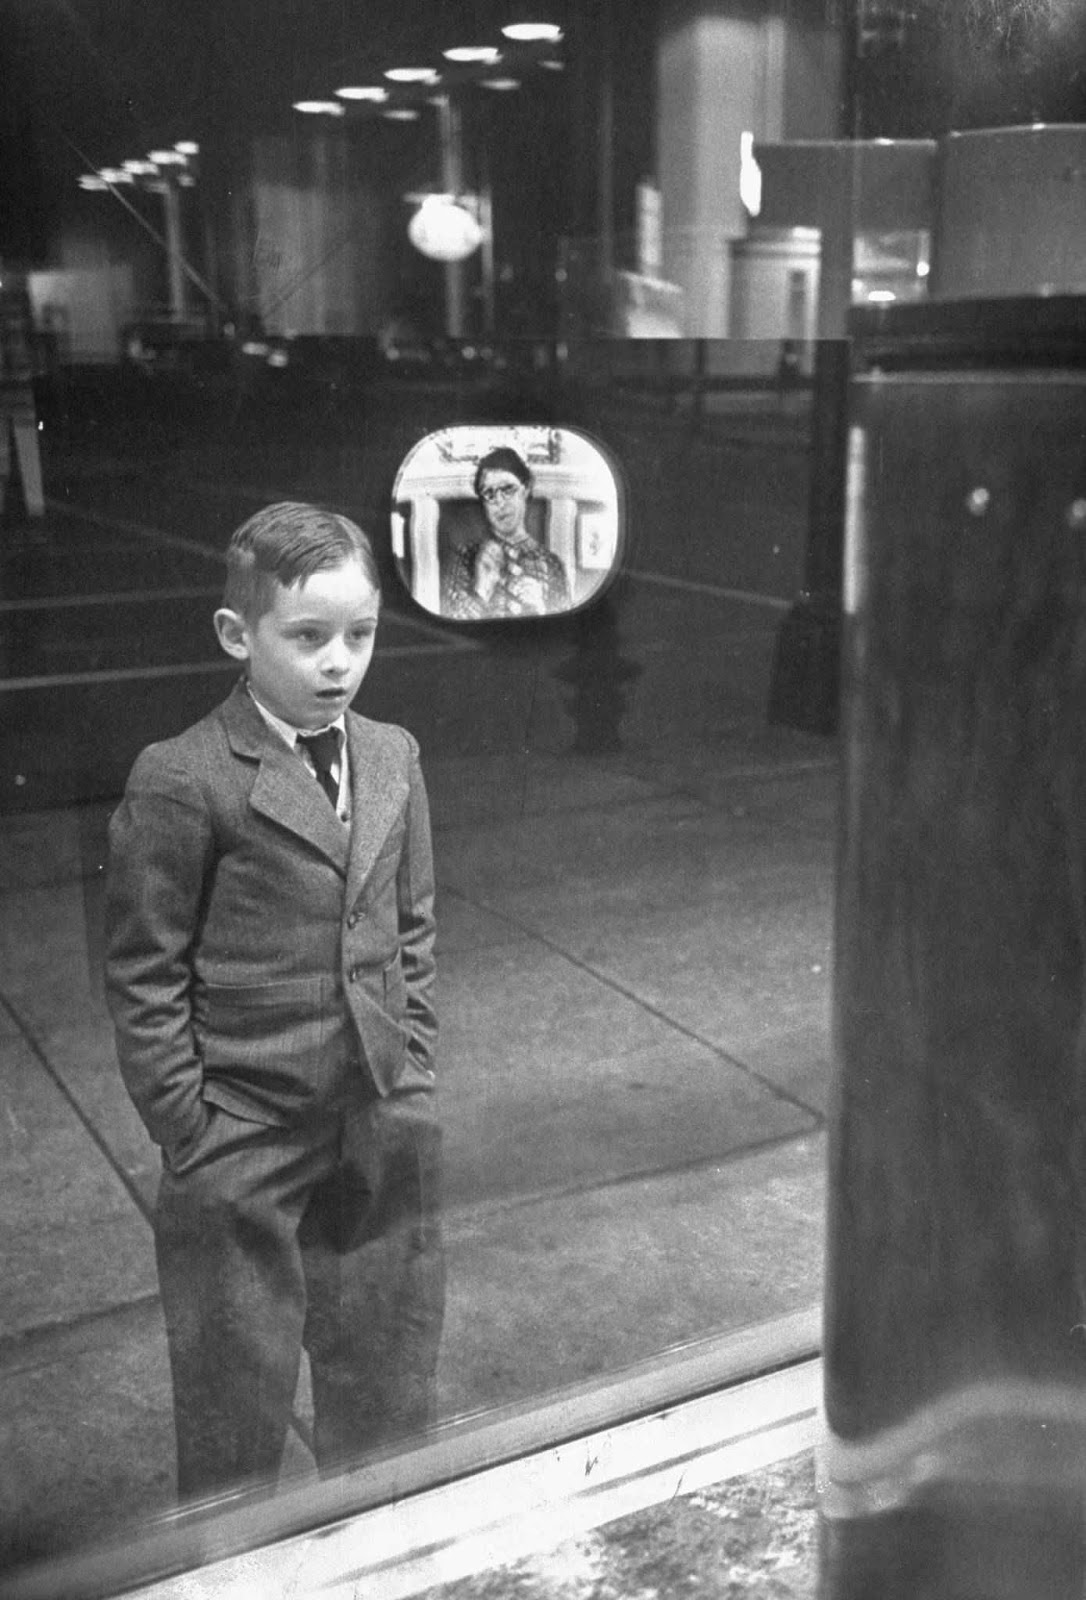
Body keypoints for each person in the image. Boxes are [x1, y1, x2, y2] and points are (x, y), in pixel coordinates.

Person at [104, 501, 443, 1501]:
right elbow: (144, 969)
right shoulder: (183, 778)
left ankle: (380, 1547)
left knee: (387, 1377)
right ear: (236, 635)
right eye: (307, 637)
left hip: (378, 1113)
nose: (339, 661)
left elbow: (411, 923)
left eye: (361, 634)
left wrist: (412, 1060)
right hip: (242, 1133)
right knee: (233, 1397)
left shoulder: (393, 756)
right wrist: (190, 1126)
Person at [440, 446, 570, 620]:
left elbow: (566, 632)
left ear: (525, 490)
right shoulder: (465, 556)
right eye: (489, 493)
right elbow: (449, 628)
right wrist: (481, 591)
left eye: (508, 489)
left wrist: (542, 609)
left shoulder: (552, 564)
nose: (499, 502)